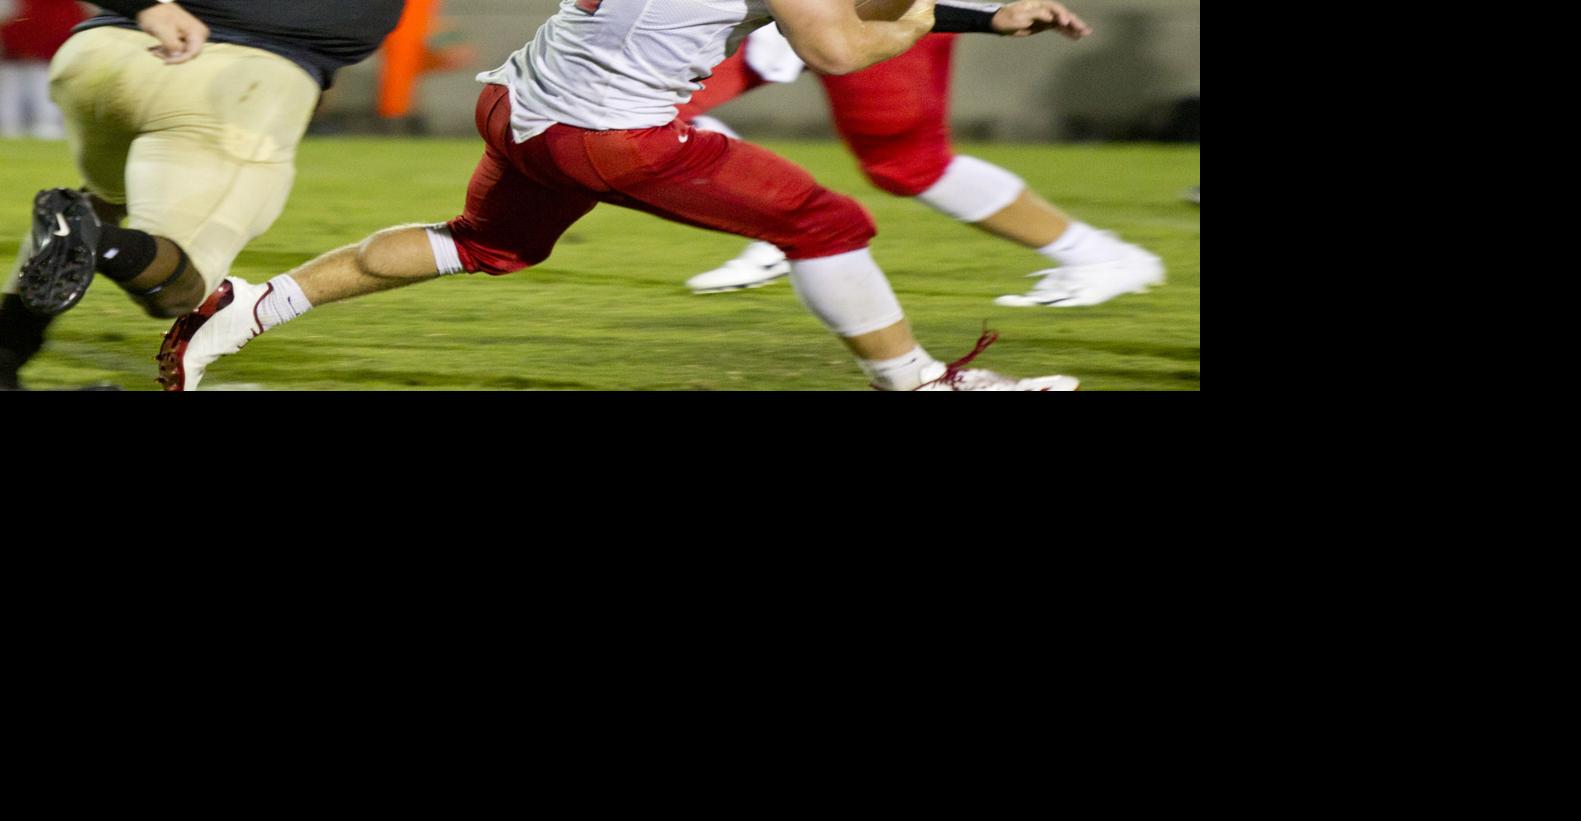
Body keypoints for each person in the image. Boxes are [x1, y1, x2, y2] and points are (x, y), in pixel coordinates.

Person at [160, 0, 1088, 393]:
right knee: (826, 221)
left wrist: (982, 13)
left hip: (516, 103)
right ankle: (918, 381)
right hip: (608, 133)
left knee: (489, 242)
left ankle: (247, 307)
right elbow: (839, 44)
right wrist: (928, 23)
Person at [0, 0, 405, 390]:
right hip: (235, 81)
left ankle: (5, 359)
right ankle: (93, 240)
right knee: (177, 286)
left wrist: (145, 6)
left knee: (103, 198)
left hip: (96, 58)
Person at [677, 16, 1163, 309]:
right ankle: (777, 229)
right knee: (644, 113)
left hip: (879, 15)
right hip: (776, 14)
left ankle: (1101, 258)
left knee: (908, 164)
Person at [0, 0, 84, 140]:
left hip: (46, 61)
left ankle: (46, 126)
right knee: (9, 109)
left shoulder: (64, 5)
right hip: (13, 61)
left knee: (45, 107)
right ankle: (10, 128)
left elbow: (68, 25)